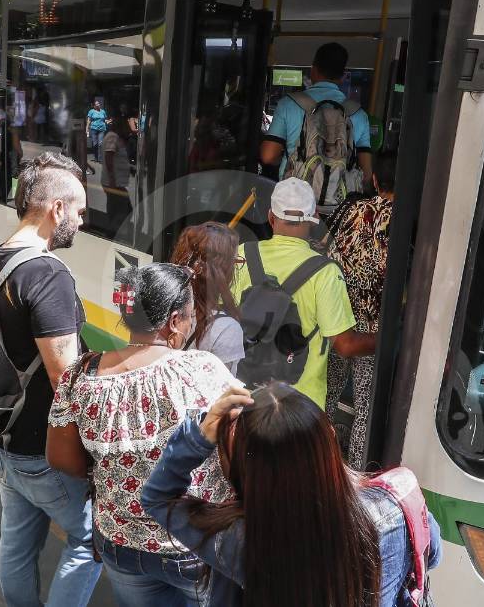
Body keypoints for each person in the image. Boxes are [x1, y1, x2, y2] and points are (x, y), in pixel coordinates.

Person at [141, 381, 442, 607]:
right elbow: (432, 554)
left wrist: (202, 433)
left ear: (250, 473)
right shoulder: (394, 508)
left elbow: (157, 498)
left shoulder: (240, 539)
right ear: (329, 440)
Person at [47, 263, 236, 607]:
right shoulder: (201, 369)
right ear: (175, 320)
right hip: (191, 546)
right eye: (191, 316)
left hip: (119, 544)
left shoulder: (81, 373)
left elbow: (60, 458)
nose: (192, 323)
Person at [0, 152, 102, 607]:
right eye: (79, 211)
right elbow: (66, 380)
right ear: (56, 209)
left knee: (18, 541)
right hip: (40, 449)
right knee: (89, 539)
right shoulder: (47, 276)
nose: (81, 223)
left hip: (2, 441)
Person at [231, 177, 376, 407]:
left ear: (270, 216)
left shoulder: (241, 255)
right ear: (316, 218)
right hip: (299, 408)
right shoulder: (326, 272)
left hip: (244, 397)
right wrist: (390, 339)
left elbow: (220, 315)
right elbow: (345, 345)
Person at [325, 153, 396, 467]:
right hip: (374, 328)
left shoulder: (350, 210)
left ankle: (320, 463)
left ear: (376, 181)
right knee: (365, 411)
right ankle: (355, 476)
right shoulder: (408, 219)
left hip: (337, 315)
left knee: (328, 395)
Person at [260, 43, 374, 203]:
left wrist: (291, 159)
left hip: (293, 203)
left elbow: (267, 156)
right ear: (342, 77)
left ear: (313, 70)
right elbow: (367, 174)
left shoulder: (289, 105)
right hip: (338, 208)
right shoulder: (359, 115)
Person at [169, 222, 245, 374]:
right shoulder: (226, 329)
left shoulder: (159, 305)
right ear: (224, 271)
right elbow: (223, 392)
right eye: (236, 261)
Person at [101, 117, 132, 232]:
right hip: (113, 182)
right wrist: (112, 179)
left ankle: (112, 230)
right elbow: (109, 157)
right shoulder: (113, 137)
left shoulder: (114, 137)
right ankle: (113, 231)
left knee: (117, 206)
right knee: (121, 207)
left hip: (115, 181)